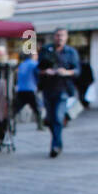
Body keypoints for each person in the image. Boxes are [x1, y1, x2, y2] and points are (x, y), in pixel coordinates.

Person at [37, 28, 80, 158]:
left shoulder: (71, 52)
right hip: (48, 89)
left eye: (62, 35)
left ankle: (55, 146)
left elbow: (77, 71)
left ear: (66, 37)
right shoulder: (46, 50)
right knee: (50, 119)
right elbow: (38, 69)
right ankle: (58, 143)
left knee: (57, 117)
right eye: (57, 35)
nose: (59, 38)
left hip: (63, 89)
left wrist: (66, 72)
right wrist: (46, 72)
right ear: (53, 37)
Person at [13, 50, 44, 130]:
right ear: (33, 55)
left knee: (15, 110)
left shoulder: (21, 64)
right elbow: (39, 74)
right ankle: (40, 126)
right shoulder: (34, 64)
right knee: (38, 109)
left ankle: (11, 126)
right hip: (31, 89)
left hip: (21, 89)